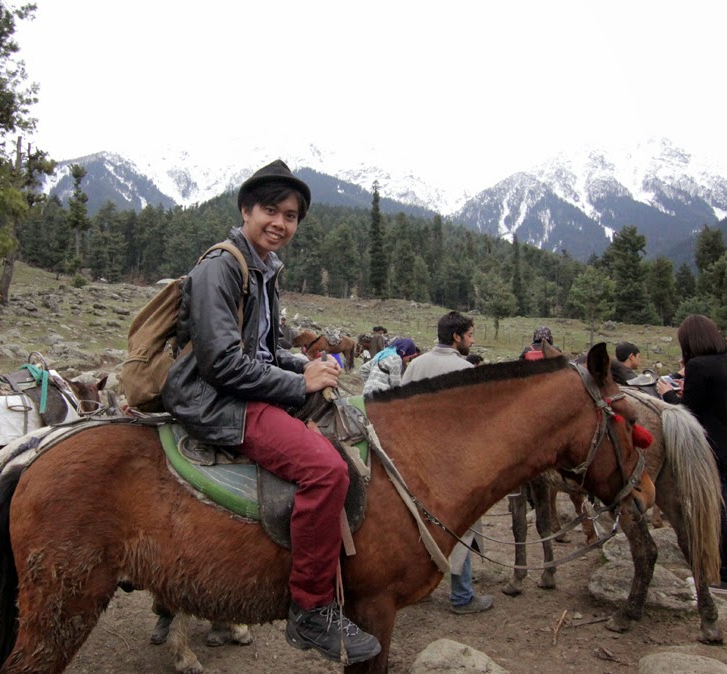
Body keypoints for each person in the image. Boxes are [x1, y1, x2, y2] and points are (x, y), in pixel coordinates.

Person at [162, 159, 380, 664]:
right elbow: (221, 364)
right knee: (326, 471)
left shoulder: (262, 268)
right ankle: (310, 607)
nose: (280, 223)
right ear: (245, 210)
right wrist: (296, 380)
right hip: (215, 399)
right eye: (270, 210)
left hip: (240, 387)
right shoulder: (221, 266)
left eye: (291, 215)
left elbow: (260, 349)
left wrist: (303, 364)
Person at [655, 315, 727, 596]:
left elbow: (690, 411)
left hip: (715, 448)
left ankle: (722, 576)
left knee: (717, 510)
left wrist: (667, 394)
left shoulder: (698, 365)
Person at [400, 311, 494, 615]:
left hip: (416, 459)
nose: (472, 339)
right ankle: (462, 595)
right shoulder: (463, 368)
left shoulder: (416, 364)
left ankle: (417, 587)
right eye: (470, 334)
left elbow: (399, 407)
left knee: (418, 523)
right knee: (461, 527)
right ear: (456, 337)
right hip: (452, 464)